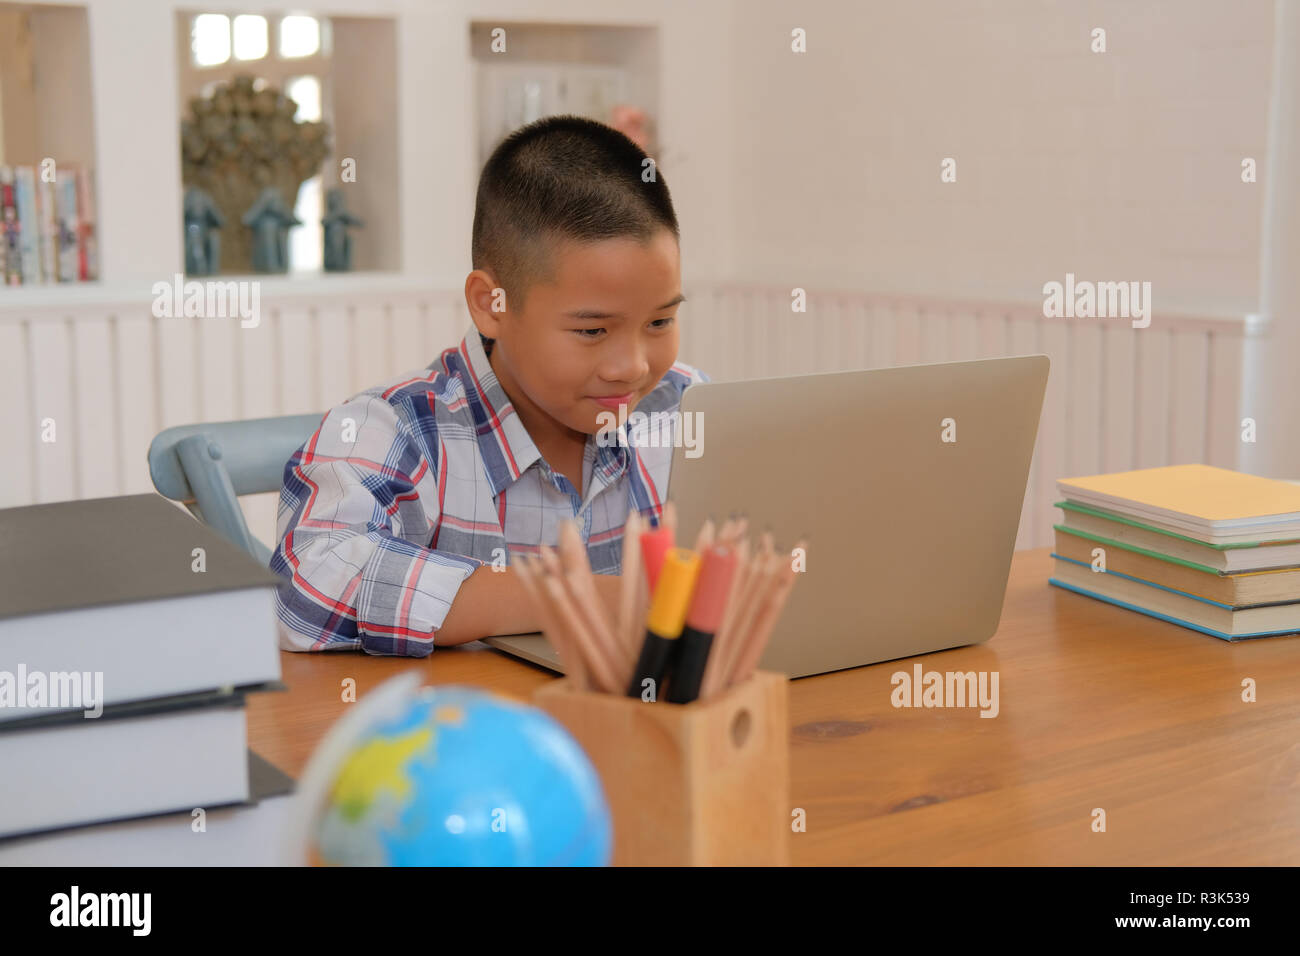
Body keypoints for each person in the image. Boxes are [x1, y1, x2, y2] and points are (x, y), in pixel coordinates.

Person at [271, 115, 709, 656]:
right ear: (491, 304)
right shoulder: (396, 429)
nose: (632, 366)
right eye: (593, 330)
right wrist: (574, 597)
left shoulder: (692, 409)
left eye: (660, 322)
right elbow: (306, 590)